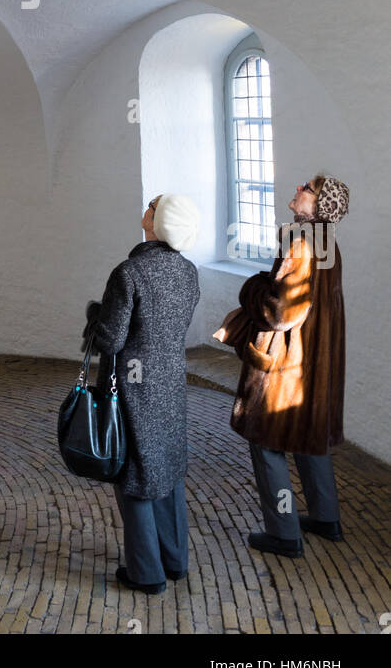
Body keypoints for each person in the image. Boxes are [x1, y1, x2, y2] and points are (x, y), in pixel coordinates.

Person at [213, 175, 349, 558]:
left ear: (321, 204)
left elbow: (281, 311)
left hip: (285, 367)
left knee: (268, 443)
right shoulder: (325, 243)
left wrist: (253, 286)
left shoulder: (303, 243)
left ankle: (284, 532)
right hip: (313, 365)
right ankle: (325, 518)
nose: (297, 189)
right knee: (308, 440)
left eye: (307, 188)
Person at [82, 194, 201, 594]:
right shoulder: (188, 271)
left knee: (133, 474)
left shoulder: (129, 272)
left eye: (153, 204)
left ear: (156, 220)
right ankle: (175, 560)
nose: (146, 207)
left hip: (133, 389)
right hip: (169, 383)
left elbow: (111, 340)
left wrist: (94, 319)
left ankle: (146, 573)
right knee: (166, 470)